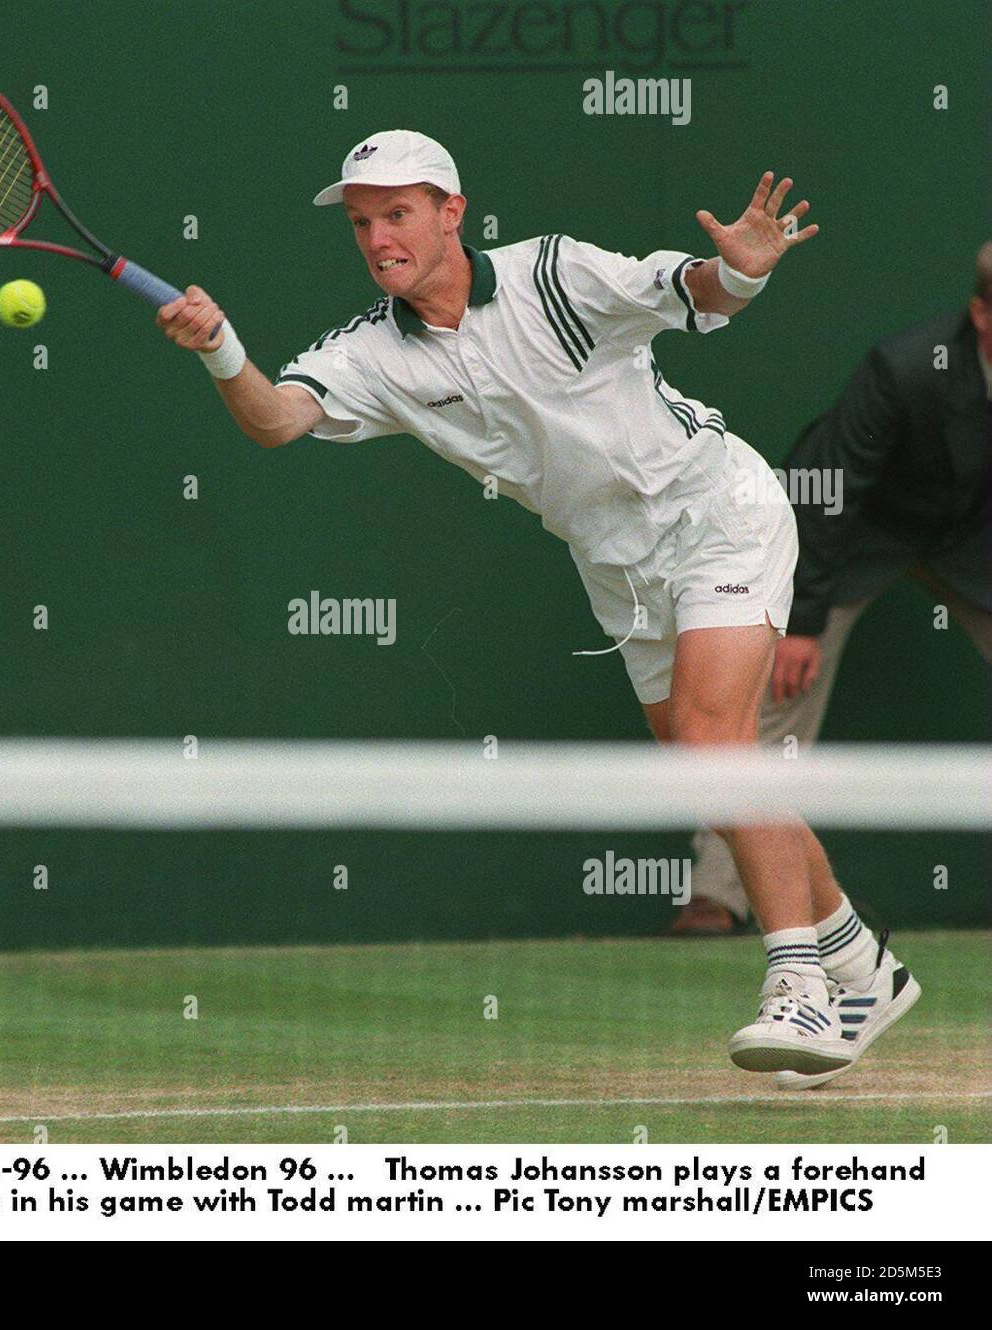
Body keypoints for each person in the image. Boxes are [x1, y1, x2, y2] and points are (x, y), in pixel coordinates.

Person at [154, 129, 918, 1081]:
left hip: (719, 512)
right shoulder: (370, 353)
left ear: (450, 214)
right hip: (617, 566)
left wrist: (747, 274)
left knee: (721, 746)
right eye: (361, 222)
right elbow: (277, 421)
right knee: (701, 770)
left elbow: (697, 291)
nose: (378, 238)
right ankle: (858, 959)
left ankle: (800, 982)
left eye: (397, 214)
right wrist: (221, 349)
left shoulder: (554, 275)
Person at [681, 243, 992, 951]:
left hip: (974, 541)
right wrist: (803, 621)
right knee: (776, 692)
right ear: (979, 313)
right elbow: (826, 490)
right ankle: (716, 896)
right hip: (855, 534)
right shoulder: (905, 368)